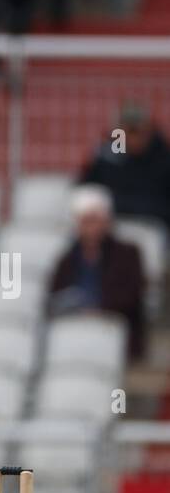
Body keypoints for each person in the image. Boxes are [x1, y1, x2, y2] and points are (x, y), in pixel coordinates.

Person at [47, 185, 147, 363]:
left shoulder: (128, 254)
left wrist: (98, 310)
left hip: (114, 327)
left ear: (106, 221)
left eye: (94, 220)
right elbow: (55, 297)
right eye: (85, 221)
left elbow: (132, 296)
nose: (90, 227)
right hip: (75, 327)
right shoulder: (67, 259)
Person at [79, 102, 170, 231]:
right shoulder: (108, 156)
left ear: (148, 130)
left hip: (154, 226)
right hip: (111, 228)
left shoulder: (163, 157)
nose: (132, 138)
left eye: (136, 131)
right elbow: (86, 190)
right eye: (126, 131)